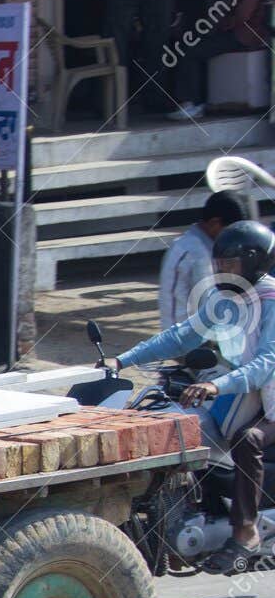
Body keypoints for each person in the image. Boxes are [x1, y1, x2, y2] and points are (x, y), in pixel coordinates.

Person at [110, 220, 275, 573]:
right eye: (219, 265)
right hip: (254, 396)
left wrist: (217, 385)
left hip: (271, 402)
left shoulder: (271, 301)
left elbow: (265, 364)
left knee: (248, 440)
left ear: (254, 262)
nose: (223, 272)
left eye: (230, 265)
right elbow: (182, 335)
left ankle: (245, 532)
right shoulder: (227, 299)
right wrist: (123, 359)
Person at [167, 0, 272, 122]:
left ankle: (191, 103)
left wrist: (223, 23)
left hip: (244, 36)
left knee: (188, 49)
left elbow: (243, 15)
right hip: (253, 34)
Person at [159, 192, 247, 327]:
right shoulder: (193, 251)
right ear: (214, 223)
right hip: (183, 338)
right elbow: (208, 304)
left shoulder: (209, 245)